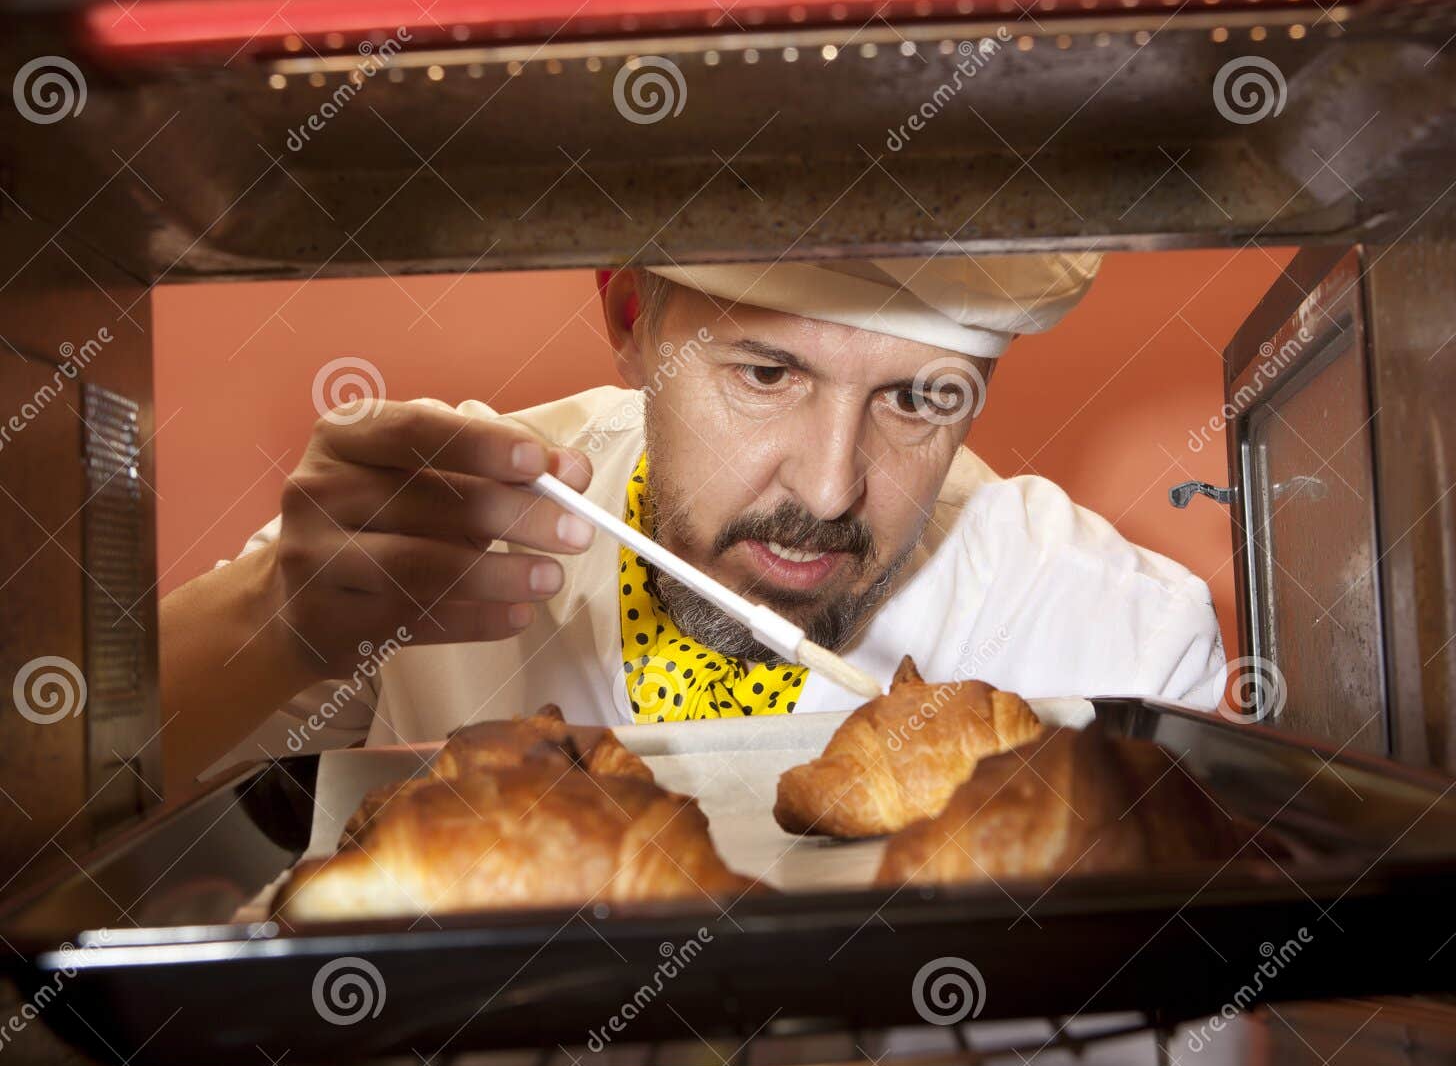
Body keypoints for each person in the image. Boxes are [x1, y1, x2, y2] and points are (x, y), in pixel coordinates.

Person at [161, 254, 1224, 784]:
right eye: (767, 373)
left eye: (916, 399)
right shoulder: (442, 517)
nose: (827, 492)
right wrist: (275, 619)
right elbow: (88, 803)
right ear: (633, 319)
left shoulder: (1116, 643)